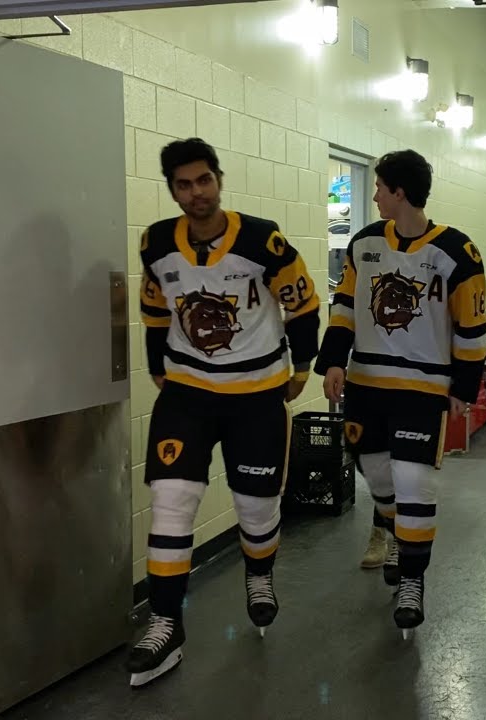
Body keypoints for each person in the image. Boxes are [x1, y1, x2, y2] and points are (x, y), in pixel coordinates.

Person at [127, 138, 320, 686]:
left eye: (203, 180)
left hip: (257, 395)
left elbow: (303, 303)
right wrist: (157, 367)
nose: (196, 193)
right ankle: (165, 623)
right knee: (171, 501)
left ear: (219, 178)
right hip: (187, 393)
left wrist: (301, 366)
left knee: (255, 510)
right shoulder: (156, 242)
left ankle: (259, 574)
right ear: (173, 190)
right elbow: (153, 310)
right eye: (183, 185)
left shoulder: (262, 239)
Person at [315, 149, 486, 638]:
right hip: (367, 385)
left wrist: (466, 388)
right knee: (378, 477)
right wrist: (332, 361)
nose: (373, 196)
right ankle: (394, 533)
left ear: (399, 193)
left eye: (378, 187)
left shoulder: (456, 252)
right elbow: (345, 307)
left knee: (414, 482)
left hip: (422, 387)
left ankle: (412, 580)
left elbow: (471, 327)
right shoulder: (365, 244)